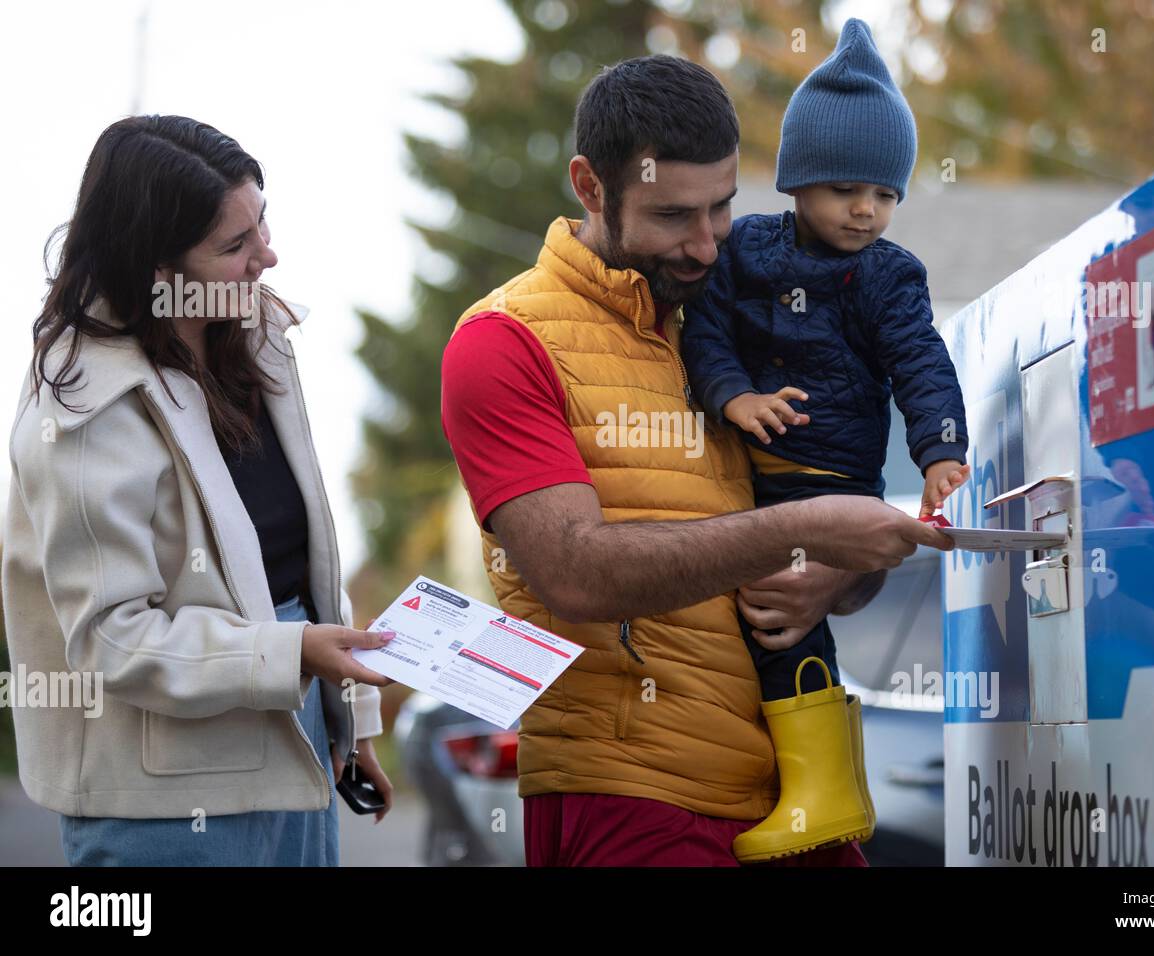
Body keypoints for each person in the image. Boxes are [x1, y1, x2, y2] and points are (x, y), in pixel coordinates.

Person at [440, 55, 954, 867]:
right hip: (630, 801)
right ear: (590, 186)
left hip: (790, 796)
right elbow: (573, 574)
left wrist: (837, 572)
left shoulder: (738, 316)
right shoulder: (503, 342)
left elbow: (823, 540)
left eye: (722, 208)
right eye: (675, 215)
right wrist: (804, 525)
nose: (708, 245)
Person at [2, 115, 394, 866]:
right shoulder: (83, 407)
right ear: (157, 268)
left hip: (295, 744)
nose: (268, 258)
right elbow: (115, 638)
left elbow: (301, 568)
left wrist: (349, 723)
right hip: (169, 807)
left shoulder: (257, 341)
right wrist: (295, 655)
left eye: (263, 225)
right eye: (235, 246)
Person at [679, 19, 971, 859]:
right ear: (797, 183)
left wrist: (941, 451)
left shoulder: (888, 274)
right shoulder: (746, 252)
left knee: (786, 621)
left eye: (885, 194)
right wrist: (734, 398)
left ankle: (822, 795)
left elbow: (922, 363)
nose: (866, 209)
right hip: (750, 470)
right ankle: (827, 783)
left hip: (828, 481)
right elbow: (706, 337)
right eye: (845, 188)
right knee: (762, 623)